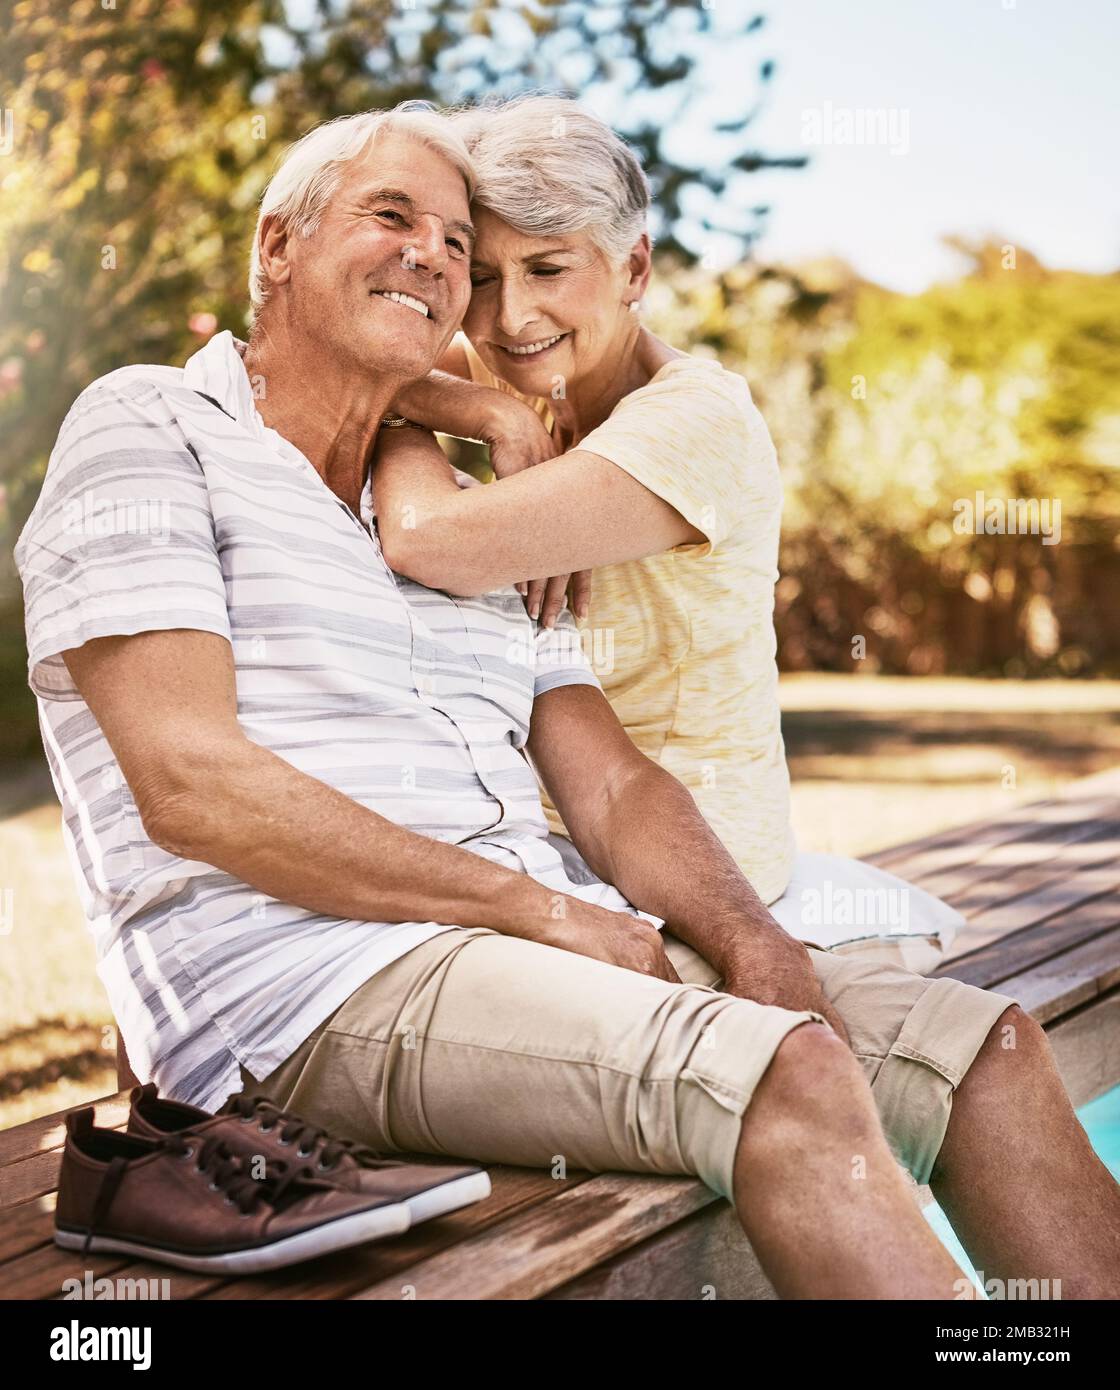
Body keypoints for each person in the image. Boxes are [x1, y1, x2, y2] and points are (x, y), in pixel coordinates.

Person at [16, 104, 1119, 1299]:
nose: (437, 259)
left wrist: (754, 940)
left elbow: (606, 778)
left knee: (986, 1051)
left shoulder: (456, 512)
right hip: (306, 989)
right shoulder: (151, 427)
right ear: (276, 245)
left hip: (529, 947)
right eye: (393, 217)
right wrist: (536, 911)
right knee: (787, 1077)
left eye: (455, 240)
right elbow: (193, 788)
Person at [373, 95, 959, 973]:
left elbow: (429, 539)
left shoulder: (699, 420)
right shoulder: (522, 374)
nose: (510, 318)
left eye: (549, 269)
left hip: (693, 872)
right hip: (537, 844)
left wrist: (405, 416)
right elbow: (313, 361)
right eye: (482, 277)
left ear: (633, 268)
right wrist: (477, 406)